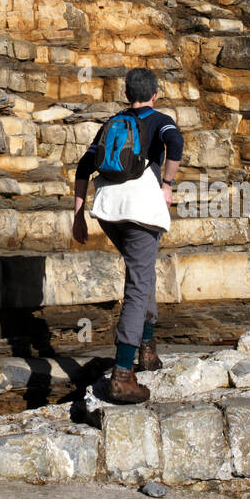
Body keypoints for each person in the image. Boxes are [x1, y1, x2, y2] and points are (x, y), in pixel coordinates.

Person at [73, 67, 184, 403]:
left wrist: (78, 214)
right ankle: (122, 374)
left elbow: (83, 165)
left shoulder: (112, 123)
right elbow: (175, 141)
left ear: (126, 95)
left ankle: (147, 350)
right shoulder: (159, 119)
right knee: (138, 283)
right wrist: (167, 185)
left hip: (108, 211)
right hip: (140, 212)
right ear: (154, 93)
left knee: (143, 270)